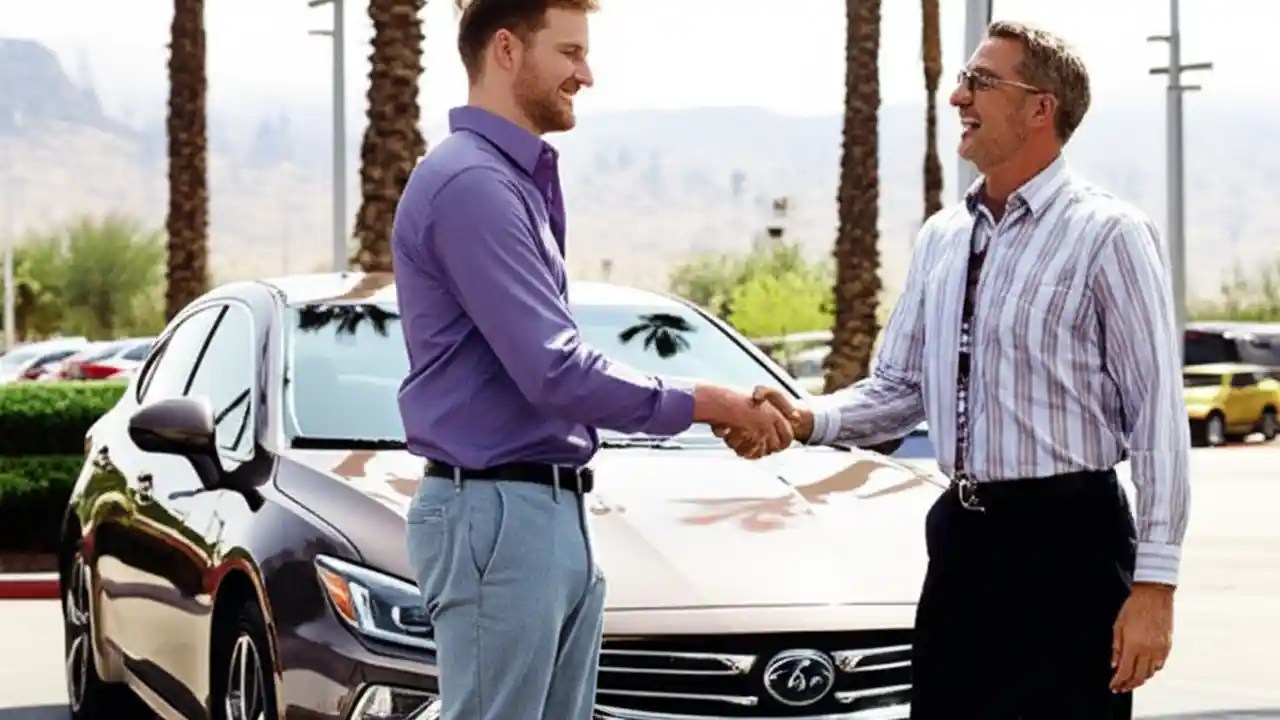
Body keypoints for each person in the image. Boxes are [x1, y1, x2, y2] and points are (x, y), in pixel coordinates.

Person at [717, 20, 1190, 719]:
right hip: (964, 540)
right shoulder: (943, 237)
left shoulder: (1109, 236)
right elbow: (902, 386)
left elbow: (1157, 420)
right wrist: (806, 417)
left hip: (1072, 548)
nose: (957, 97)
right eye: (962, 80)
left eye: (980, 82)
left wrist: (1155, 587)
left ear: (1040, 108)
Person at [388, 1, 794, 718]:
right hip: (499, 515)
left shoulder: (508, 181)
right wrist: (712, 402)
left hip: (540, 511)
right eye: (570, 52)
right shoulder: (473, 186)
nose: (587, 74)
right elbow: (555, 370)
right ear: (507, 50)